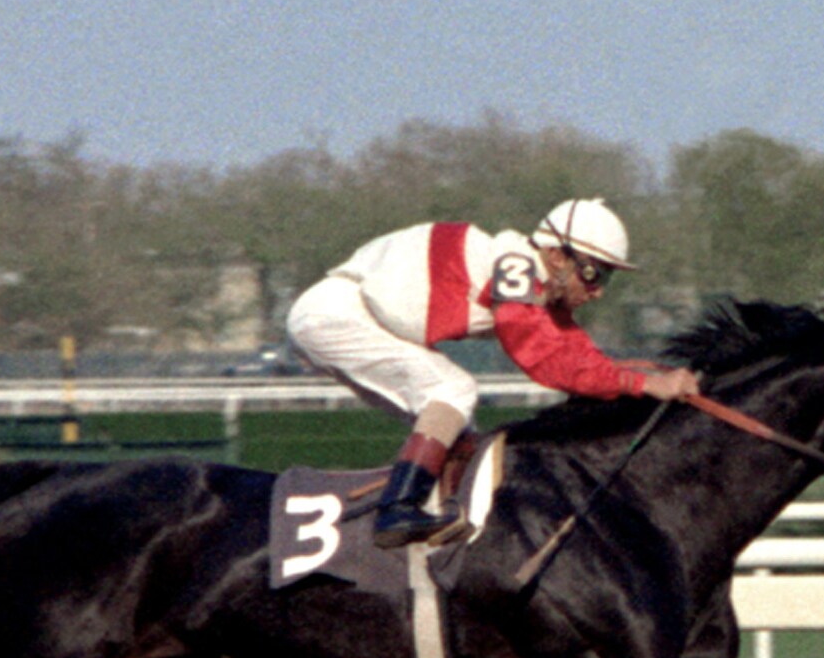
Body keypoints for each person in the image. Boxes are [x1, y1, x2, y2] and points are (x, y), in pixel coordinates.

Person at [286, 198, 701, 548]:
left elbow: (577, 354)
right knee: (453, 388)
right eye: (593, 273)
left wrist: (643, 384)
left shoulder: (536, 284)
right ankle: (397, 511)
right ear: (556, 255)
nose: (597, 291)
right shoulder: (516, 264)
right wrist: (642, 383)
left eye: (605, 277)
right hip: (337, 314)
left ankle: (437, 527)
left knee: (457, 430)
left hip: (349, 318)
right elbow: (540, 357)